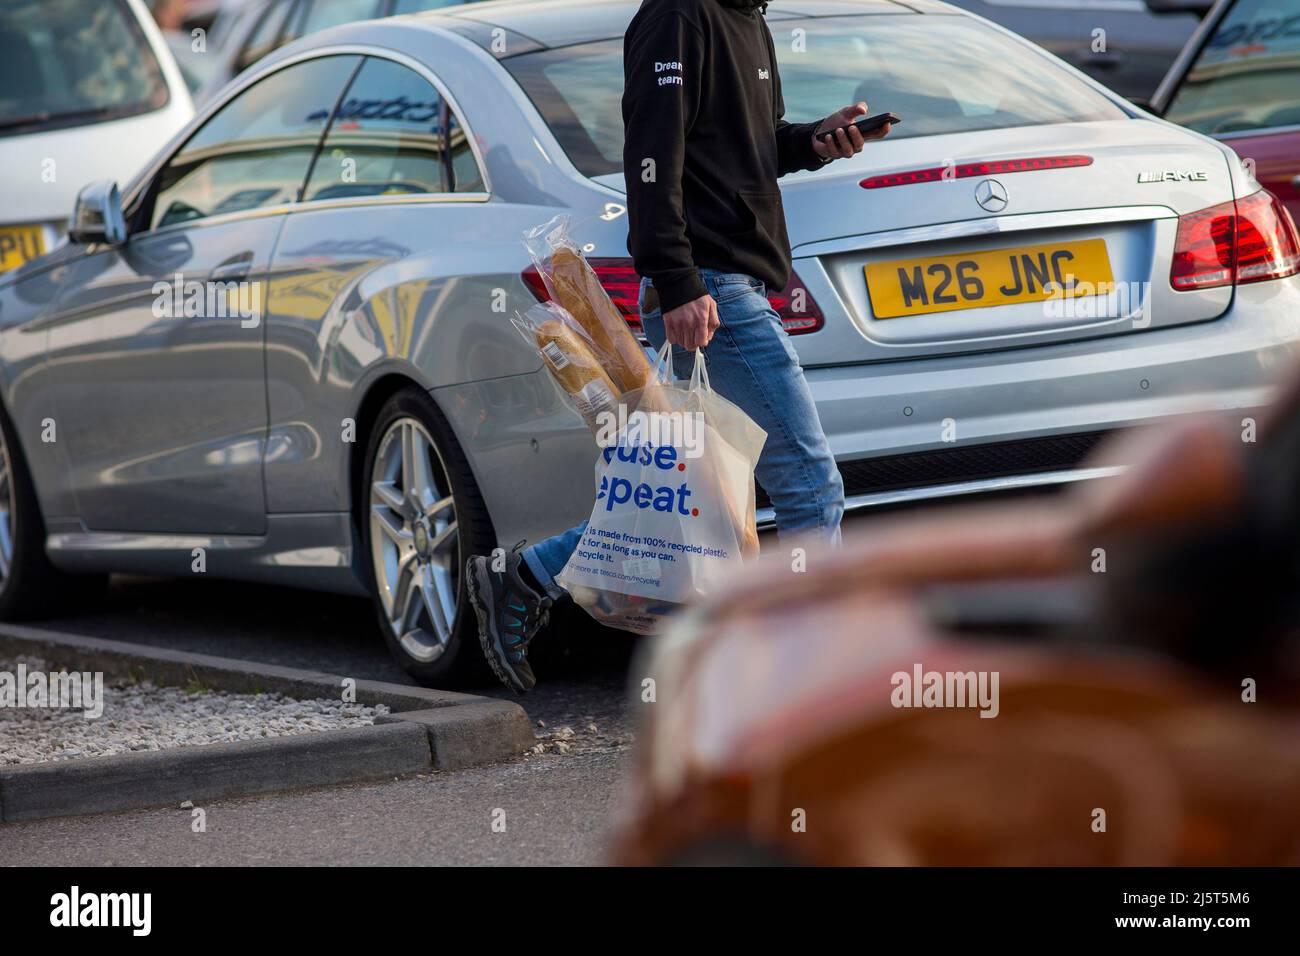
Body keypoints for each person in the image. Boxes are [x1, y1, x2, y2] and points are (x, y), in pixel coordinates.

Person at [466, 0, 892, 692]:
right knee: (809, 485)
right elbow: (651, 158)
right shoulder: (678, 16)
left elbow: (745, 150)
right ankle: (817, 679)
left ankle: (529, 574)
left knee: (704, 493)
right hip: (712, 288)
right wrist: (678, 278)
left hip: (737, 283)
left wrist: (812, 143)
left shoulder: (745, 16)